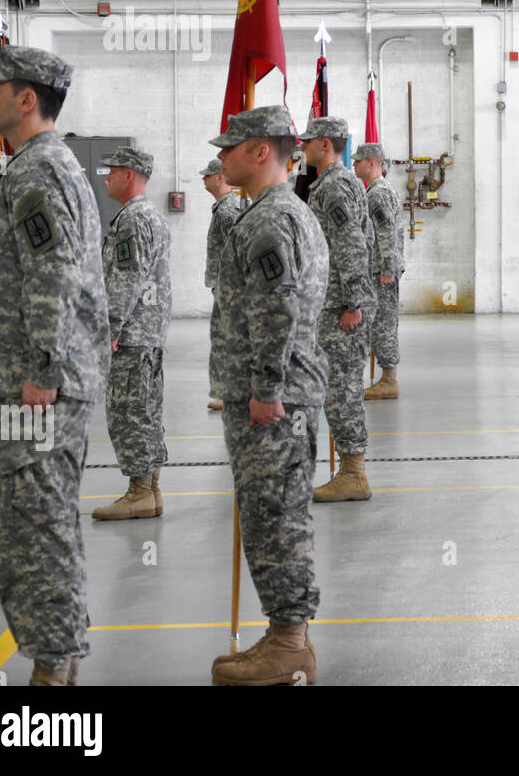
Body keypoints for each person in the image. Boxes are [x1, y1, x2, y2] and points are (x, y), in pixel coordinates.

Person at [0, 46, 110, 686]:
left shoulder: (38, 174)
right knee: (36, 519)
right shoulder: (39, 167)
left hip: (37, 387)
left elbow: (52, 276)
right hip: (34, 380)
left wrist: (44, 372)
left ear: (28, 100)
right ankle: (56, 657)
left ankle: (54, 671)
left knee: (38, 527)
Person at [208, 105, 329, 685]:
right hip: (281, 391)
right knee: (272, 513)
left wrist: (265, 387)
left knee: (274, 517)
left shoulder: (269, 221)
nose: (222, 157)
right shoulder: (281, 212)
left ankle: (289, 641)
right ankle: (286, 634)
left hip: (274, 399)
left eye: (230, 147)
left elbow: (277, 309)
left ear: (261, 151)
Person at [93, 145, 173, 521]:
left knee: (129, 412)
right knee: (145, 409)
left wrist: (110, 327)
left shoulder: (132, 219)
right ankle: (150, 490)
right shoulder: (148, 215)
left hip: (133, 334)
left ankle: (140, 492)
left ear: (129, 174)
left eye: (113, 170)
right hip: (147, 333)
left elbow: (126, 280)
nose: (107, 175)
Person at [300, 116, 377, 502]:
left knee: (343, 388)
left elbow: (350, 244)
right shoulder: (329, 184)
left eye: (308, 141)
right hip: (330, 302)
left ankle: (354, 474)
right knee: (337, 386)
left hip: (341, 307)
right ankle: (350, 470)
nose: (303, 147)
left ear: (326, 144)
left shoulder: (336, 186)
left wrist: (352, 302)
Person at [352, 143, 405, 401]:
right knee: (380, 323)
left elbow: (385, 234)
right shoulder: (376, 191)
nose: (354, 165)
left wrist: (386, 268)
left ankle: (389, 380)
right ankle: (386, 377)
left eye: (358, 161)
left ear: (372, 163)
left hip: (381, 272)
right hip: (379, 269)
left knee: (383, 324)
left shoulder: (378, 194)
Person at [203, 157, 245, 411]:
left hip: (231, 286)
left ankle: (233, 393)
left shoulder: (229, 210)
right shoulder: (223, 207)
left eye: (208, 175)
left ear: (220, 178)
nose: (203, 179)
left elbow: (238, 250)